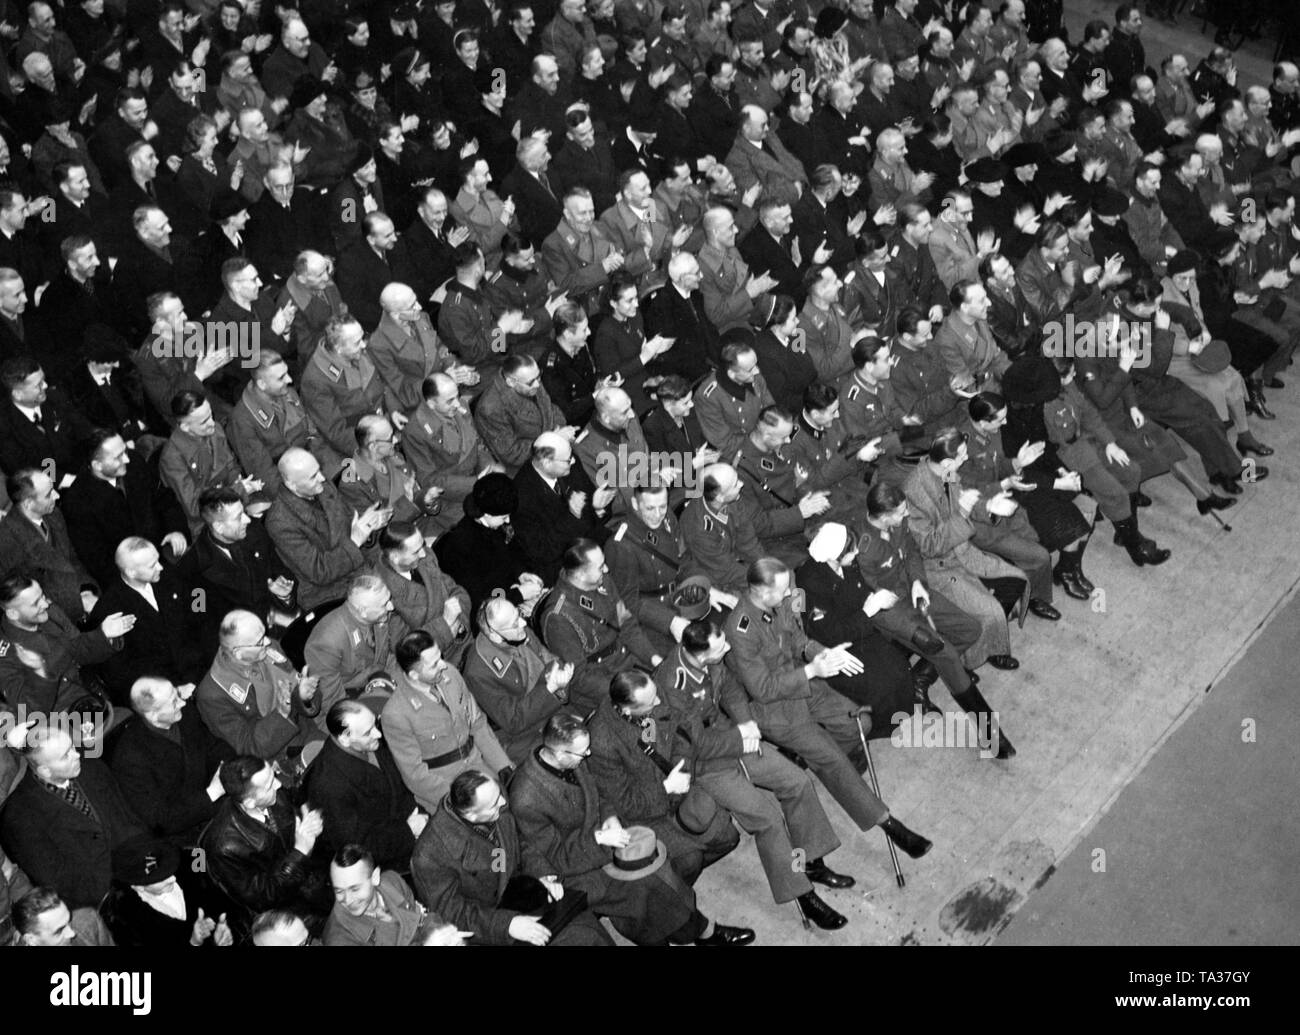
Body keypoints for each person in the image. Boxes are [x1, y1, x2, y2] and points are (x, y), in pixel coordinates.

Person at [722, 557, 933, 856]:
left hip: (805, 685)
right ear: (759, 591)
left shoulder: (781, 598)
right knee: (832, 757)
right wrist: (811, 671)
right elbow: (763, 689)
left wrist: (822, 654)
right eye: (782, 591)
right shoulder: (740, 630)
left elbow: (798, 640)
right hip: (775, 709)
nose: (789, 595)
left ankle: (819, 760)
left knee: (859, 724)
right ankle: (888, 823)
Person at [509, 712, 754, 946]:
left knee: (680, 857)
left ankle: (667, 928)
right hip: (573, 869)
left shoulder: (573, 759)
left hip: (606, 835)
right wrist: (600, 838)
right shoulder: (526, 797)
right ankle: (703, 932)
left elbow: (599, 796)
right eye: (583, 752)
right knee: (650, 883)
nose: (589, 754)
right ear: (559, 753)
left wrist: (610, 817)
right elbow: (556, 857)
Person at [410, 769, 613, 945]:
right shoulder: (429, 856)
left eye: (499, 795)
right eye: (494, 804)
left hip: (519, 893)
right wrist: (507, 925)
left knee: (584, 923)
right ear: (471, 816)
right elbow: (452, 914)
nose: (504, 802)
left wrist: (543, 876)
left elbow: (519, 843)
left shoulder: (493, 800)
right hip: (487, 924)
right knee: (574, 938)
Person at [586, 670, 741, 885]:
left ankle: (667, 878)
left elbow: (680, 733)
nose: (659, 701)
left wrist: (681, 767)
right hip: (645, 814)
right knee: (690, 861)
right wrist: (666, 788)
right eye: (651, 701)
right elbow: (625, 804)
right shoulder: (602, 742)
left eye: (656, 693)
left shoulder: (647, 706)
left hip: (676, 789)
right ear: (627, 710)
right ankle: (668, 891)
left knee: (729, 838)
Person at [0, 725, 144, 909]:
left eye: (73, 747)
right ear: (45, 771)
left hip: (134, 863)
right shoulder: (20, 817)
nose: (77, 755)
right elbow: (57, 880)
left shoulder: (92, 768)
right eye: (65, 755)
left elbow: (127, 819)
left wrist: (143, 861)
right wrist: (115, 891)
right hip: (102, 899)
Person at [198, 754, 334, 938]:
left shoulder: (272, 796)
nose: (278, 784)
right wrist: (299, 853)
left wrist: (309, 813)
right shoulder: (224, 847)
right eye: (270, 785)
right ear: (249, 803)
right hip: (293, 907)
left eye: (273, 776)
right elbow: (265, 898)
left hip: (316, 874)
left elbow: (297, 799)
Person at [382, 629, 512, 813]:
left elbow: (477, 723)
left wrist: (502, 764)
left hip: (480, 767)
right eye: (434, 664)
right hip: (447, 791)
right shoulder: (396, 713)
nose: (443, 665)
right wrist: (462, 798)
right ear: (414, 675)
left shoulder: (450, 675)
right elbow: (415, 775)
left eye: (440, 657)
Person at [536, 538, 661, 711]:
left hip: (626, 659)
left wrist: (653, 657)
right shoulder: (558, 618)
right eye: (601, 566)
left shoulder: (603, 581)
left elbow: (626, 624)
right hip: (602, 683)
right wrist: (627, 691)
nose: (607, 569)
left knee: (670, 682)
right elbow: (580, 677)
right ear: (580, 574)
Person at [108, 677, 233, 844]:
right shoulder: (130, 760)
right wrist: (211, 793)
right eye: (174, 702)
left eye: (177, 694)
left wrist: (232, 768)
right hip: (188, 834)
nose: (182, 703)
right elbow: (161, 821)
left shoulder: (184, 714)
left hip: (219, 802)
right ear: (152, 714)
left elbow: (213, 747)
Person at [304, 701, 423, 872]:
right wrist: (409, 830)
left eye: (375, 724)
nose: (378, 734)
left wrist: (416, 813)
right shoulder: (329, 785)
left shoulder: (367, 742)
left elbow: (398, 784)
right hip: (386, 858)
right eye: (368, 732)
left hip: (409, 821)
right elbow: (358, 847)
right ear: (345, 738)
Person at [462, 597, 571, 765]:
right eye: (514, 624)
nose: (523, 623)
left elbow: (547, 657)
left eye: (519, 615)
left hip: (550, 707)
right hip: (523, 737)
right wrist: (550, 689)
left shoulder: (518, 631)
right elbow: (513, 721)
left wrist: (559, 680)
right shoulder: (478, 671)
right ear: (495, 635)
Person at [100, 837, 233, 948]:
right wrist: (193, 942)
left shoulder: (193, 862)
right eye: (161, 878)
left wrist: (223, 925)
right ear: (138, 887)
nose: (173, 878)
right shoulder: (126, 921)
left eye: (168, 871)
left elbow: (218, 895)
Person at [322, 844, 439, 946]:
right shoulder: (339, 939)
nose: (347, 900)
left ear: (375, 877)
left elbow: (422, 919)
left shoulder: (393, 882)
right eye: (339, 891)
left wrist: (442, 932)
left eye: (355, 889)